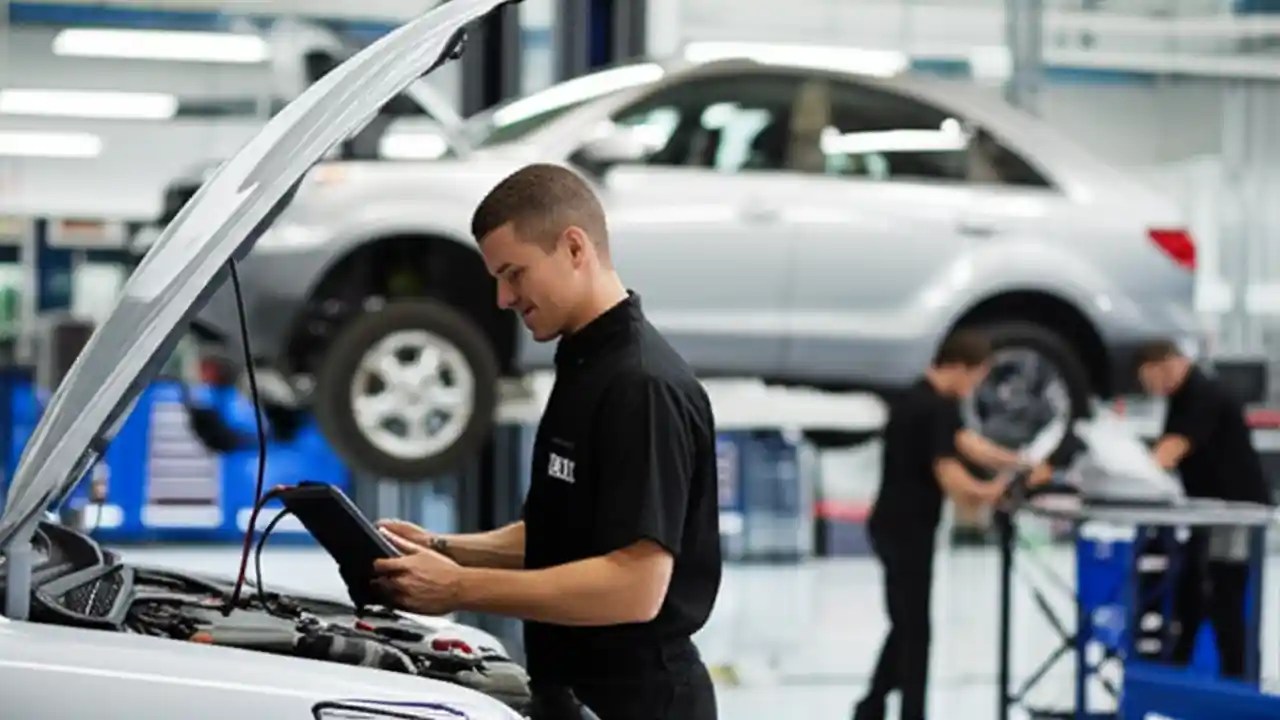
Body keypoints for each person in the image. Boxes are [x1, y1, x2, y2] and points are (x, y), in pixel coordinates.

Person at [369, 162, 723, 720]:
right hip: (573, 691)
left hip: (637, 703)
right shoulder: (587, 363)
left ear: (575, 248)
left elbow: (635, 585)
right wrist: (441, 548)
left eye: (514, 273)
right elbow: (570, 533)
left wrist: (460, 587)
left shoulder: (641, 385)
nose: (503, 298)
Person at [853, 330, 1053, 720]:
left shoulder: (916, 397)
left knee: (904, 624)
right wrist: (989, 492)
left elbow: (964, 443)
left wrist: (1017, 462)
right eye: (976, 377)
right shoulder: (938, 406)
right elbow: (950, 473)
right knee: (915, 631)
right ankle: (909, 711)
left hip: (888, 524)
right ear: (961, 368)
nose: (974, 387)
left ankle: (871, 706)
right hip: (909, 528)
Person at [1134, 339, 1272, 678]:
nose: (1150, 390)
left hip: (1235, 513)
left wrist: (1129, 472)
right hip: (1207, 513)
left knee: (1223, 594)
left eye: (1147, 380)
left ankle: (1236, 684)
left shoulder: (1202, 393)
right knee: (1190, 592)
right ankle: (1179, 675)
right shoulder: (1181, 396)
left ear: (1163, 365)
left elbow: (1169, 452)